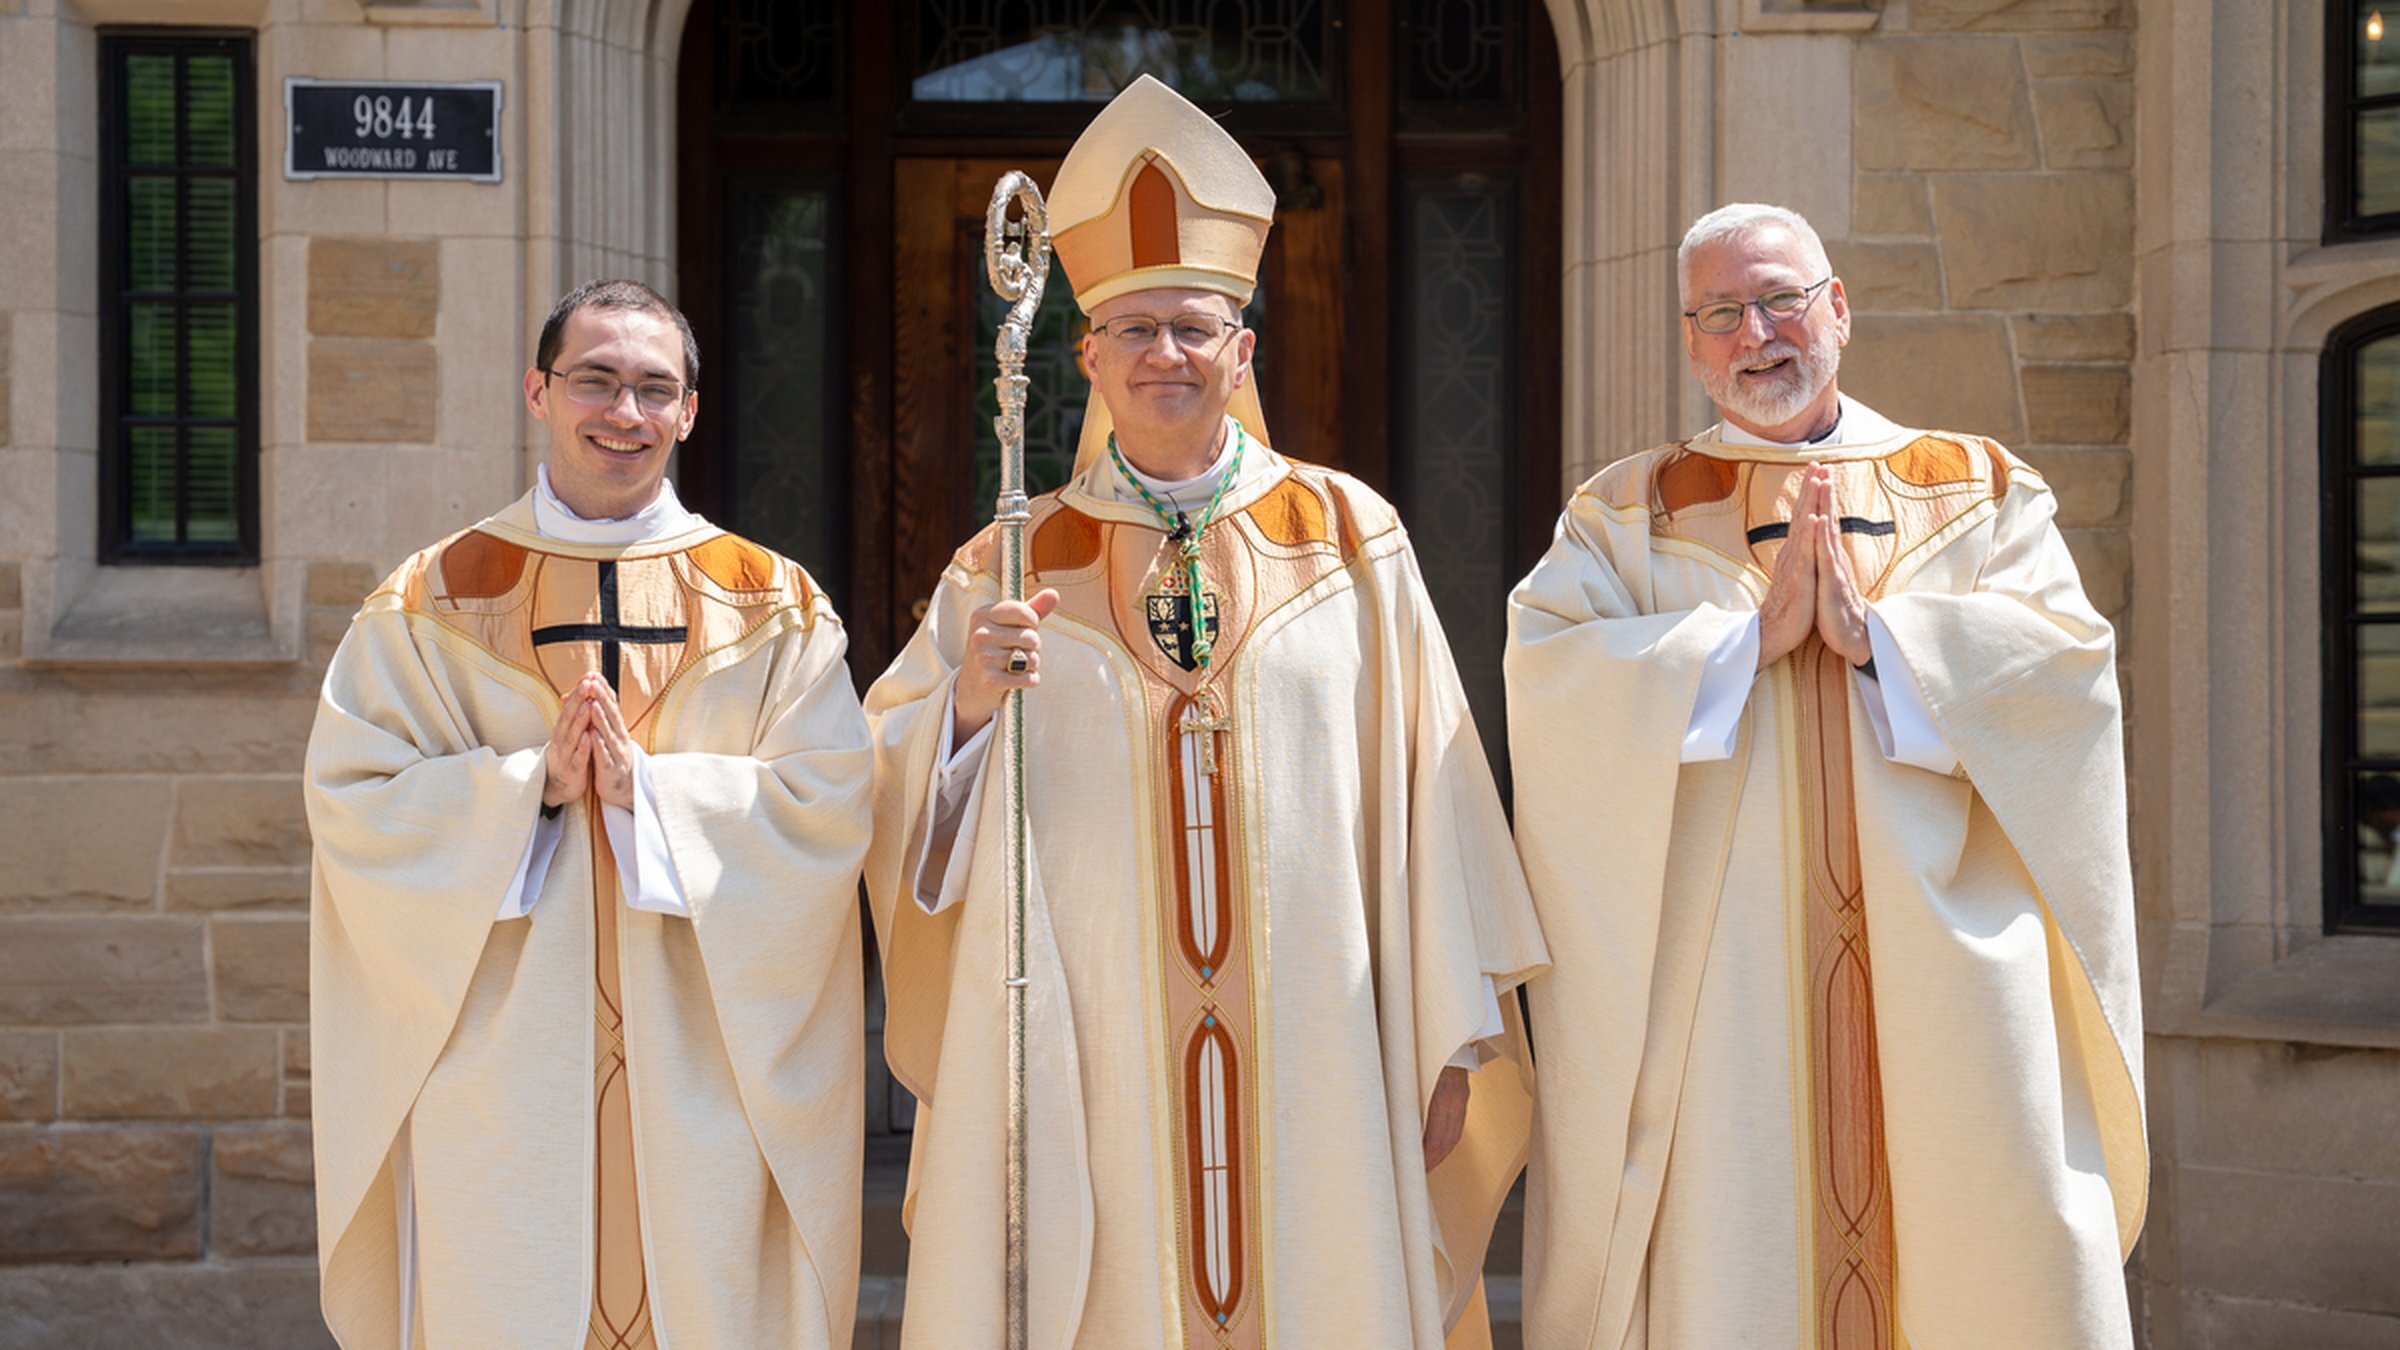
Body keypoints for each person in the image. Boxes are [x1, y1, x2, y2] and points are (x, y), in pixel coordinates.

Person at [863, 76, 1548, 1349]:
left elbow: (1433, 790)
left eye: (1193, 326)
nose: (1163, 355)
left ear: (1243, 351)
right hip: (1089, 1055)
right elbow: (895, 794)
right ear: (1085, 357)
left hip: (1324, 1039)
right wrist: (961, 705)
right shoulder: (1009, 560)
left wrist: (1448, 1037)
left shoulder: (1348, 533)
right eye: (1131, 329)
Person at [1508, 203, 2146, 1349]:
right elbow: (1552, 684)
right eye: (1721, 314)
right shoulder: (1625, 515)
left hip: (1945, 980)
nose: (1757, 334)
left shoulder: (1976, 489)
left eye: (1781, 300)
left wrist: (1885, 645)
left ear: (1838, 309)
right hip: (1722, 996)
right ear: (1691, 342)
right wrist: (1737, 648)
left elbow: (2068, 678)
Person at [304, 280, 873, 1348]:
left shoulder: (771, 602)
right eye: (596, 381)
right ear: (538, 390)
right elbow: (354, 802)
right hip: (506, 1075)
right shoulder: (431, 600)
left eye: (654, 388)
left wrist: (649, 794)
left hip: (706, 1067)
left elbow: (831, 801)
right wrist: (535, 788)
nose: (625, 412)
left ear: (689, 411)